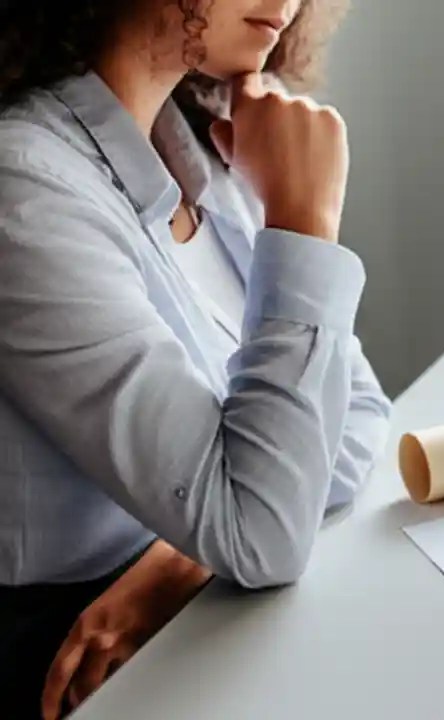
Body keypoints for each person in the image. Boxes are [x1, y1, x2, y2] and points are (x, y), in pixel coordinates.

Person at [0, 1, 392, 716]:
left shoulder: (205, 150)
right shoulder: (25, 188)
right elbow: (265, 532)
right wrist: (305, 222)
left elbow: (360, 413)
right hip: (82, 673)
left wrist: (182, 561)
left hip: (197, 621)